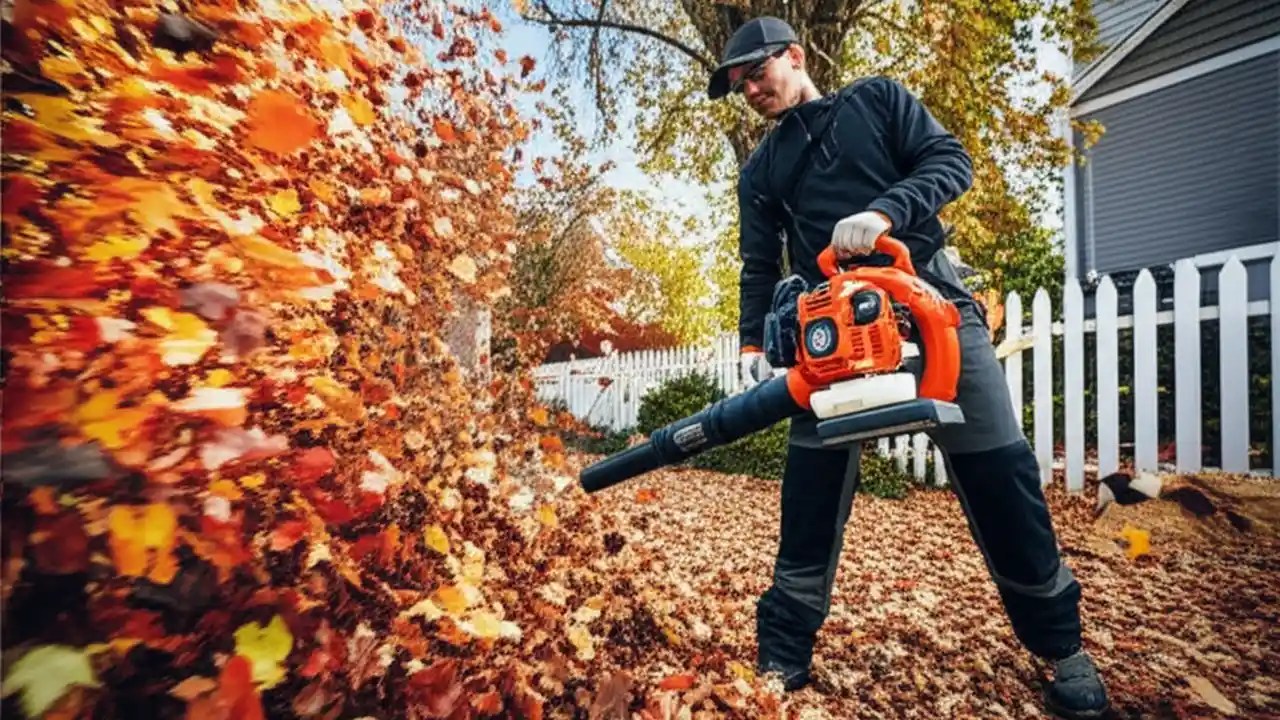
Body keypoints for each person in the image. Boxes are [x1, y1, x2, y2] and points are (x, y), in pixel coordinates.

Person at [705, 16, 1110, 720]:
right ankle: (784, 648)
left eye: (755, 73)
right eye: (738, 84)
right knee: (809, 489)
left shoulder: (878, 102)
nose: (748, 89)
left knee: (1000, 474)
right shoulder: (761, 170)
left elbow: (952, 163)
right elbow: (756, 261)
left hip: (934, 305)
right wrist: (750, 343)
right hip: (832, 331)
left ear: (794, 56)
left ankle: (1062, 646)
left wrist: (885, 212)